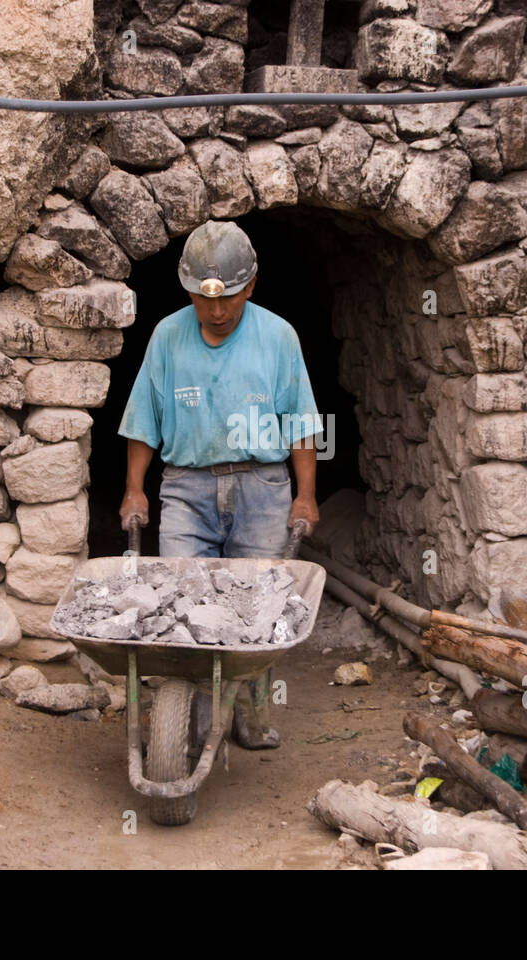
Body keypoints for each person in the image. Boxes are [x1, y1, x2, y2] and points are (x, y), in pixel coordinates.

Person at [117, 220, 322, 748]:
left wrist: (305, 495)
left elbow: (300, 423)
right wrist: (134, 489)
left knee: (256, 610)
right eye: (204, 300)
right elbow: (144, 420)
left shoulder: (278, 337)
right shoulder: (167, 336)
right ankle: (190, 720)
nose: (217, 311)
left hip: (262, 488)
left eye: (229, 298)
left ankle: (251, 718)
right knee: (183, 605)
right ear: (188, 290)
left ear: (250, 286)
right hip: (187, 488)